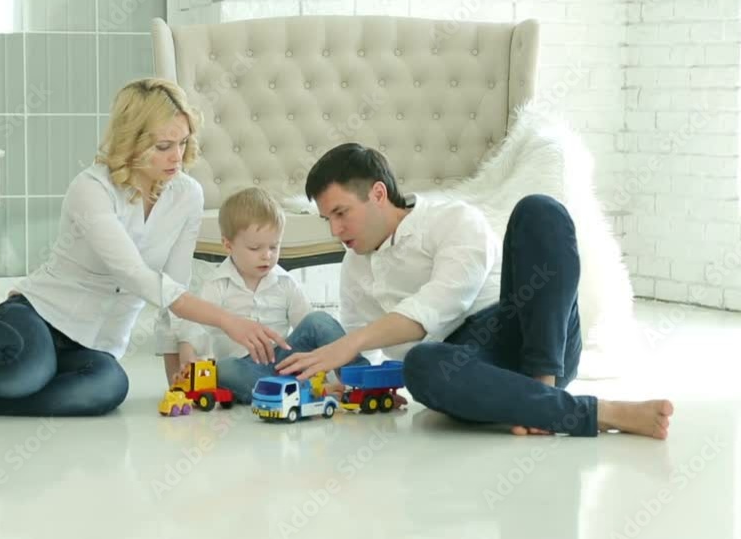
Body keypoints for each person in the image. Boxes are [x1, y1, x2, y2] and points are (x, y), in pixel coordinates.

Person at [0, 78, 290, 417]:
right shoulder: (90, 188)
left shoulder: (187, 195)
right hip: (35, 317)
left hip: (96, 344)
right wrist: (230, 320)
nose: (176, 157)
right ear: (131, 142)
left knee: (106, 390)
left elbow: (174, 287)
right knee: (24, 374)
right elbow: (134, 275)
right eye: (163, 146)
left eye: (183, 144)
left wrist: (182, 367)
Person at [277, 142, 675, 439]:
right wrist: (354, 382)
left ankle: (546, 396)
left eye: (341, 213)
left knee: (540, 210)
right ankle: (544, 409)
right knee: (422, 363)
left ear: (378, 194)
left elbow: (439, 305)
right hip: (460, 366)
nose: (335, 230)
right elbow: (371, 357)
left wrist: (350, 343)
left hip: (526, 335)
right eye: (327, 219)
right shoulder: (356, 269)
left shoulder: (452, 220)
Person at [171, 187, 368, 402]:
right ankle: (302, 390)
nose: (266, 256)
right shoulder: (217, 285)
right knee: (223, 369)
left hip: (285, 362)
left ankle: (363, 380)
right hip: (244, 367)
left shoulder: (285, 282)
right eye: (255, 248)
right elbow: (192, 327)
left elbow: (309, 327)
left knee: (319, 320)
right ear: (228, 245)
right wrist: (188, 358)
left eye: (274, 247)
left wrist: (324, 367)